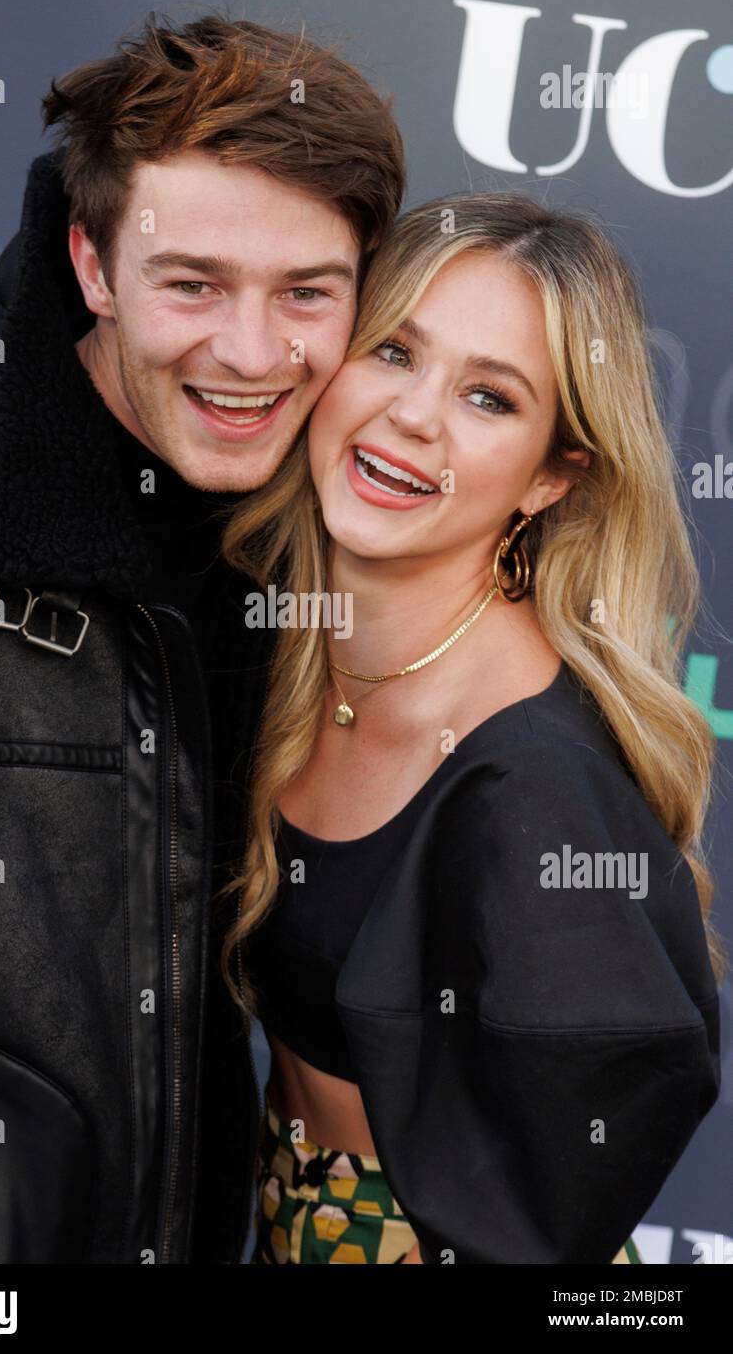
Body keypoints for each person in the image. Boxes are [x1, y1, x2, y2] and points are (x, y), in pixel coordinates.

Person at [0, 12, 405, 1262]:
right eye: (193, 284)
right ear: (94, 266)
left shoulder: (338, 547)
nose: (253, 354)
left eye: (307, 294)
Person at [217, 192, 726, 1265]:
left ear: (550, 476)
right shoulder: (267, 639)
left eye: (488, 397)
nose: (414, 415)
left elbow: (615, 1106)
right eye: (394, 350)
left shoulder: (538, 780)